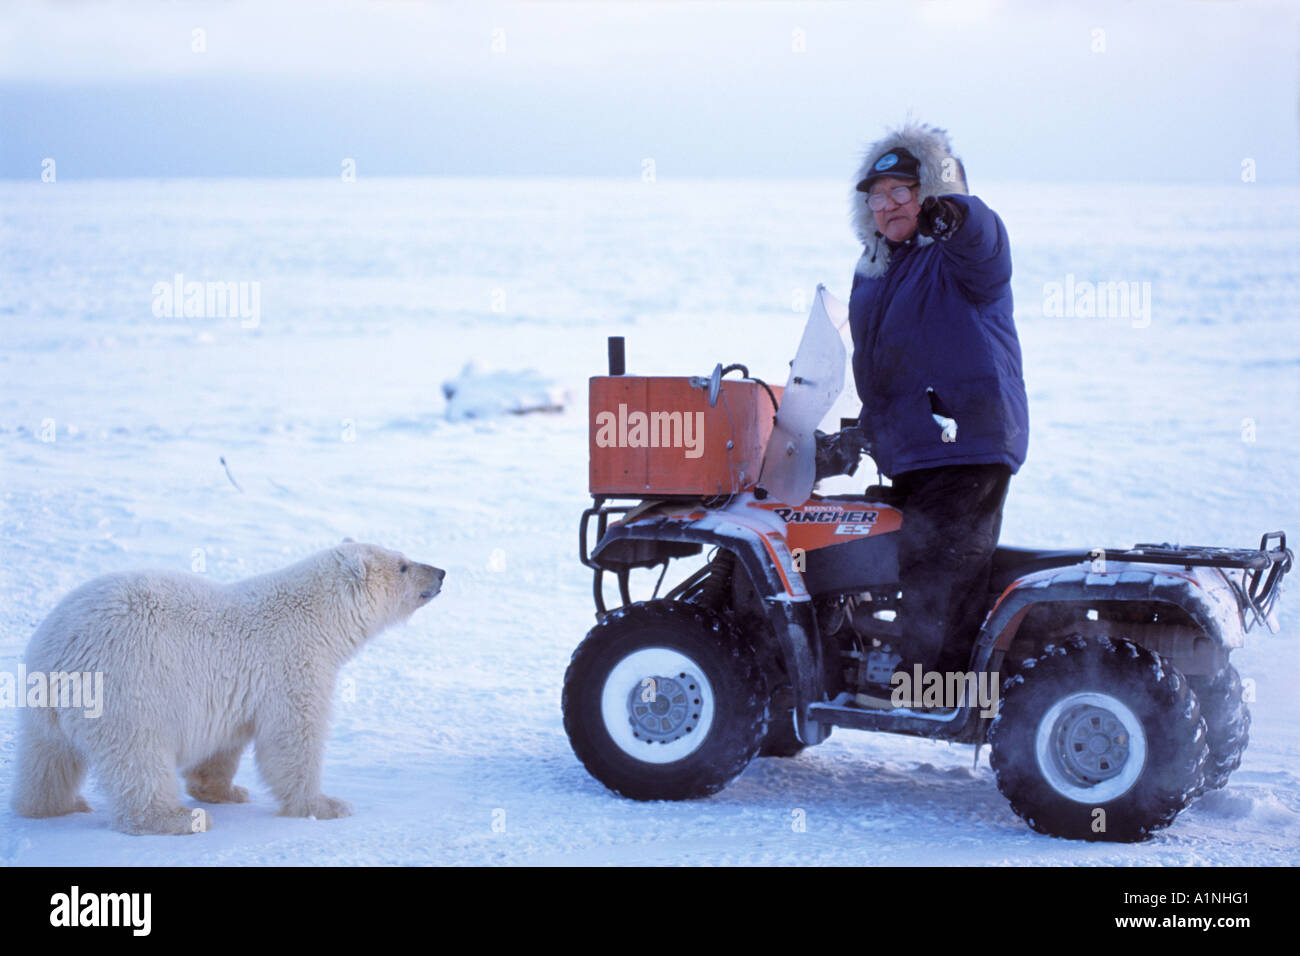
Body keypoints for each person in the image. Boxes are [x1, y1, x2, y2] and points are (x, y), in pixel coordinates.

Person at [834, 122, 1029, 677]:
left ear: (932, 193)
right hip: (916, 449)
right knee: (891, 559)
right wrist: (860, 431)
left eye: (904, 190)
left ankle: (935, 689)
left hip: (967, 443)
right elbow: (888, 369)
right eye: (878, 194)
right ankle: (889, 672)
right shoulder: (876, 273)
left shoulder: (957, 254)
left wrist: (957, 214)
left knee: (939, 573)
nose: (889, 204)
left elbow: (983, 241)